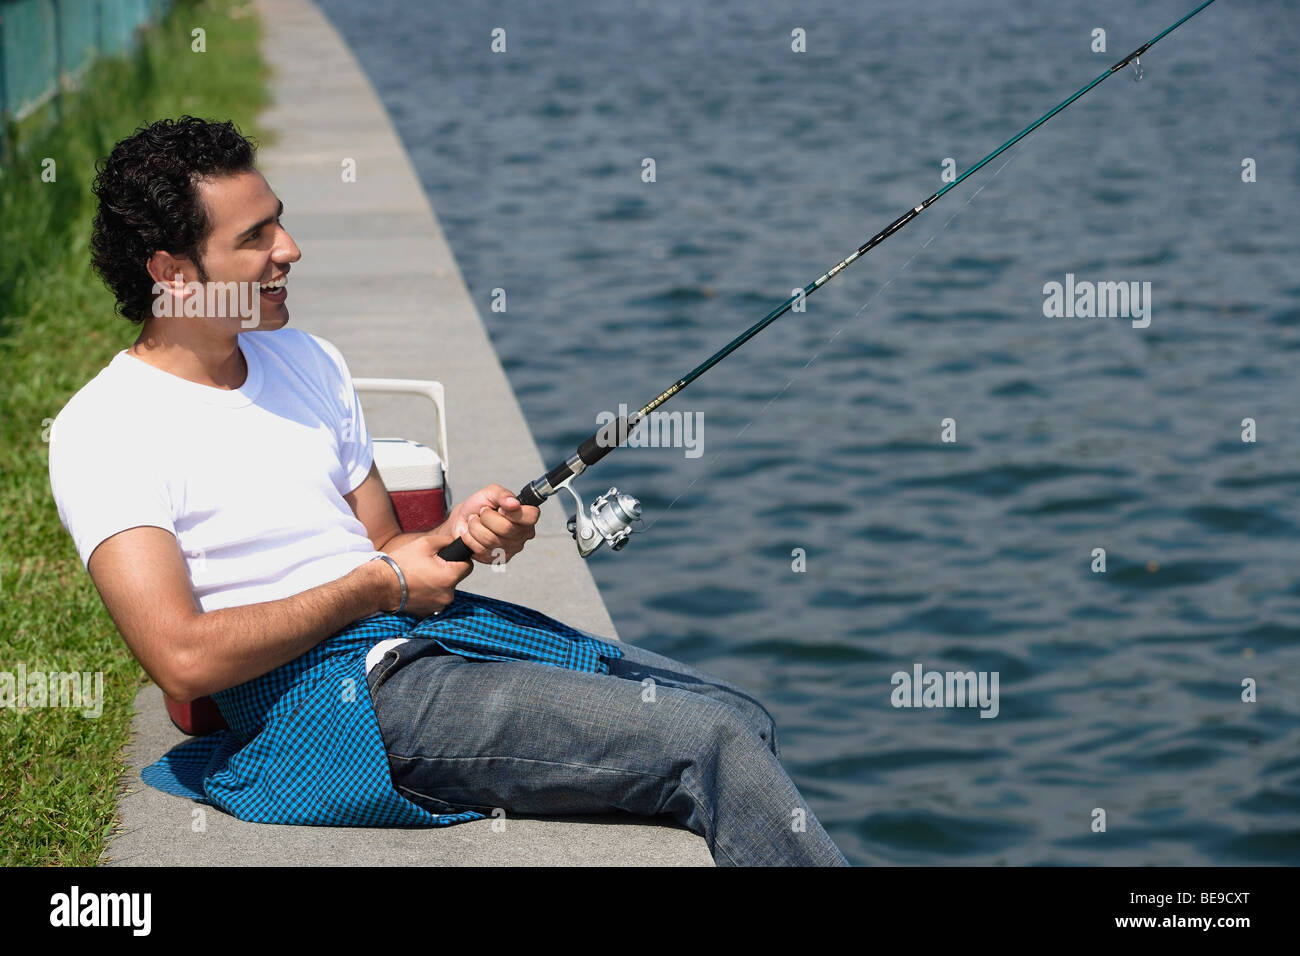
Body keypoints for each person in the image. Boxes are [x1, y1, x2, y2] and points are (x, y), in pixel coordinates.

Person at [48, 116, 848, 866]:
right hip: (328, 705)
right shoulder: (107, 429)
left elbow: (389, 551)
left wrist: (455, 535)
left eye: (279, 221)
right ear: (172, 272)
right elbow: (180, 660)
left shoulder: (307, 361)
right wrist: (378, 585)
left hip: (419, 645)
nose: (290, 249)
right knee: (711, 742)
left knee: (743, 714)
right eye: (254, 238)